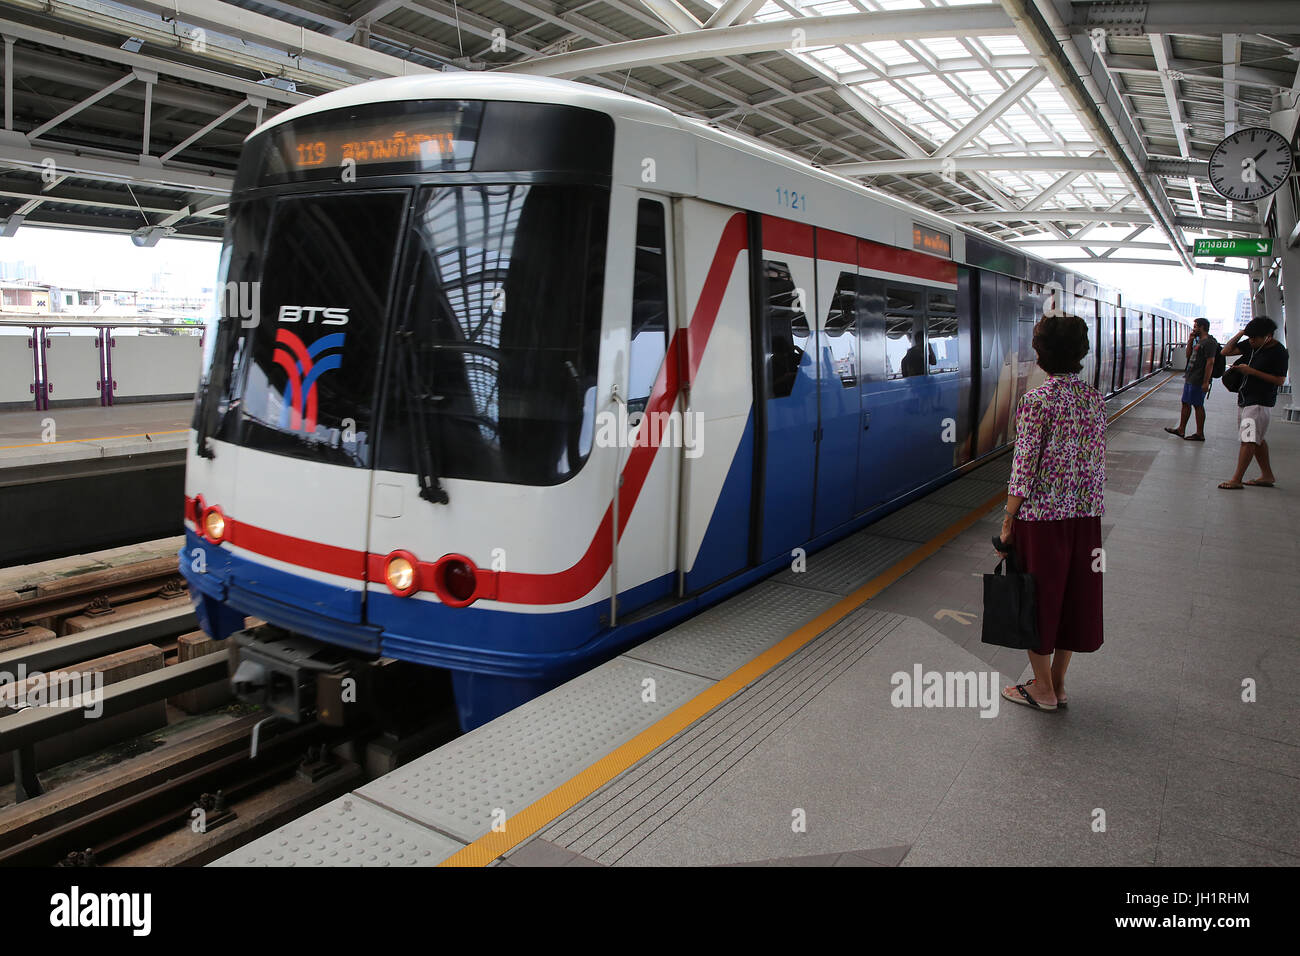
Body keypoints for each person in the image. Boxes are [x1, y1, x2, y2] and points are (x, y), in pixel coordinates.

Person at [995, 314, 1107, 712]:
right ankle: (1057, 684)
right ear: (1081, 353)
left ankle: (1042, 690)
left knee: (1037, 598)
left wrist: (1009, 520)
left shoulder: (1037, 401)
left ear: (1040, 354)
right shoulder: (1093, 398)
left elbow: (1023, 467)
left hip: (1042, 520)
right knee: (1074, 597)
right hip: (1085, 518)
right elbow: (1095, 460)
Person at [1218, 316, 1289, 489]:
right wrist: (1243, 332)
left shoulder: (1279, 352)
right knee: (1257, 439)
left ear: (1268, 336)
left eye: (1254, 337)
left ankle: (1236, 479)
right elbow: (1225, 351)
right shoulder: (1252, 345)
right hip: (1245, 398)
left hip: (1259, 402)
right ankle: (1267, 475)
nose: (1251, 341)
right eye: (1249, 337)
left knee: (1248, 439)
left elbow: (1280, 380)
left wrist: (1251, 371)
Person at [1164, 318, 1218, 441]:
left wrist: (1205, 382)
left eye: (1195, 326)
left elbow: (1210, 362)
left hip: (1199, 379)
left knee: (1198, 405)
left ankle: (1200, 433)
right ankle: (1181, 429)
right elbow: (1188, 355)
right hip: (1190, 377)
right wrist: (1190, 340)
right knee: (1185, 403)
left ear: (1202, 327)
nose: (1194, 328)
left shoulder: (1210, 343)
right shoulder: (1198, 341)